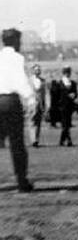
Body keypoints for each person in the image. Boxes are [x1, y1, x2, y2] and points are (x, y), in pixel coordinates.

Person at [0, 28, 36, 192]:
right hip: (10, 102)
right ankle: (22, 181)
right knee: (17, 144)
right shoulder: (17, 58)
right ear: (15, 41)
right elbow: (21, 82)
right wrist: (31, 99)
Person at [48, 66, 78, 146]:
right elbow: (55, 95)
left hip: (70, 106)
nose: (68, 73)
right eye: (66, 72)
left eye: (68, 72)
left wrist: (74, 95)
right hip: (61, 106)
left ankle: (61, 141)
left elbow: (76, 93)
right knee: (65, 124)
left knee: (67, 124)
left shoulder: (73, 83)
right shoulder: (59, 83)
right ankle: (69, 141)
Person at [29, 64, 46, 146]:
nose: (38, 71)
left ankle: (36, 139)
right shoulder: (29, 81)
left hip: (40, 104)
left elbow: (44, 93)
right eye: (36, 70)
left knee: (38, 123)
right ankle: (33, 140)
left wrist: (45, 104)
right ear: (33, 71)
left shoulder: (43, 81)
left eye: (39, 70)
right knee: (32, 122)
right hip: (31, 103)